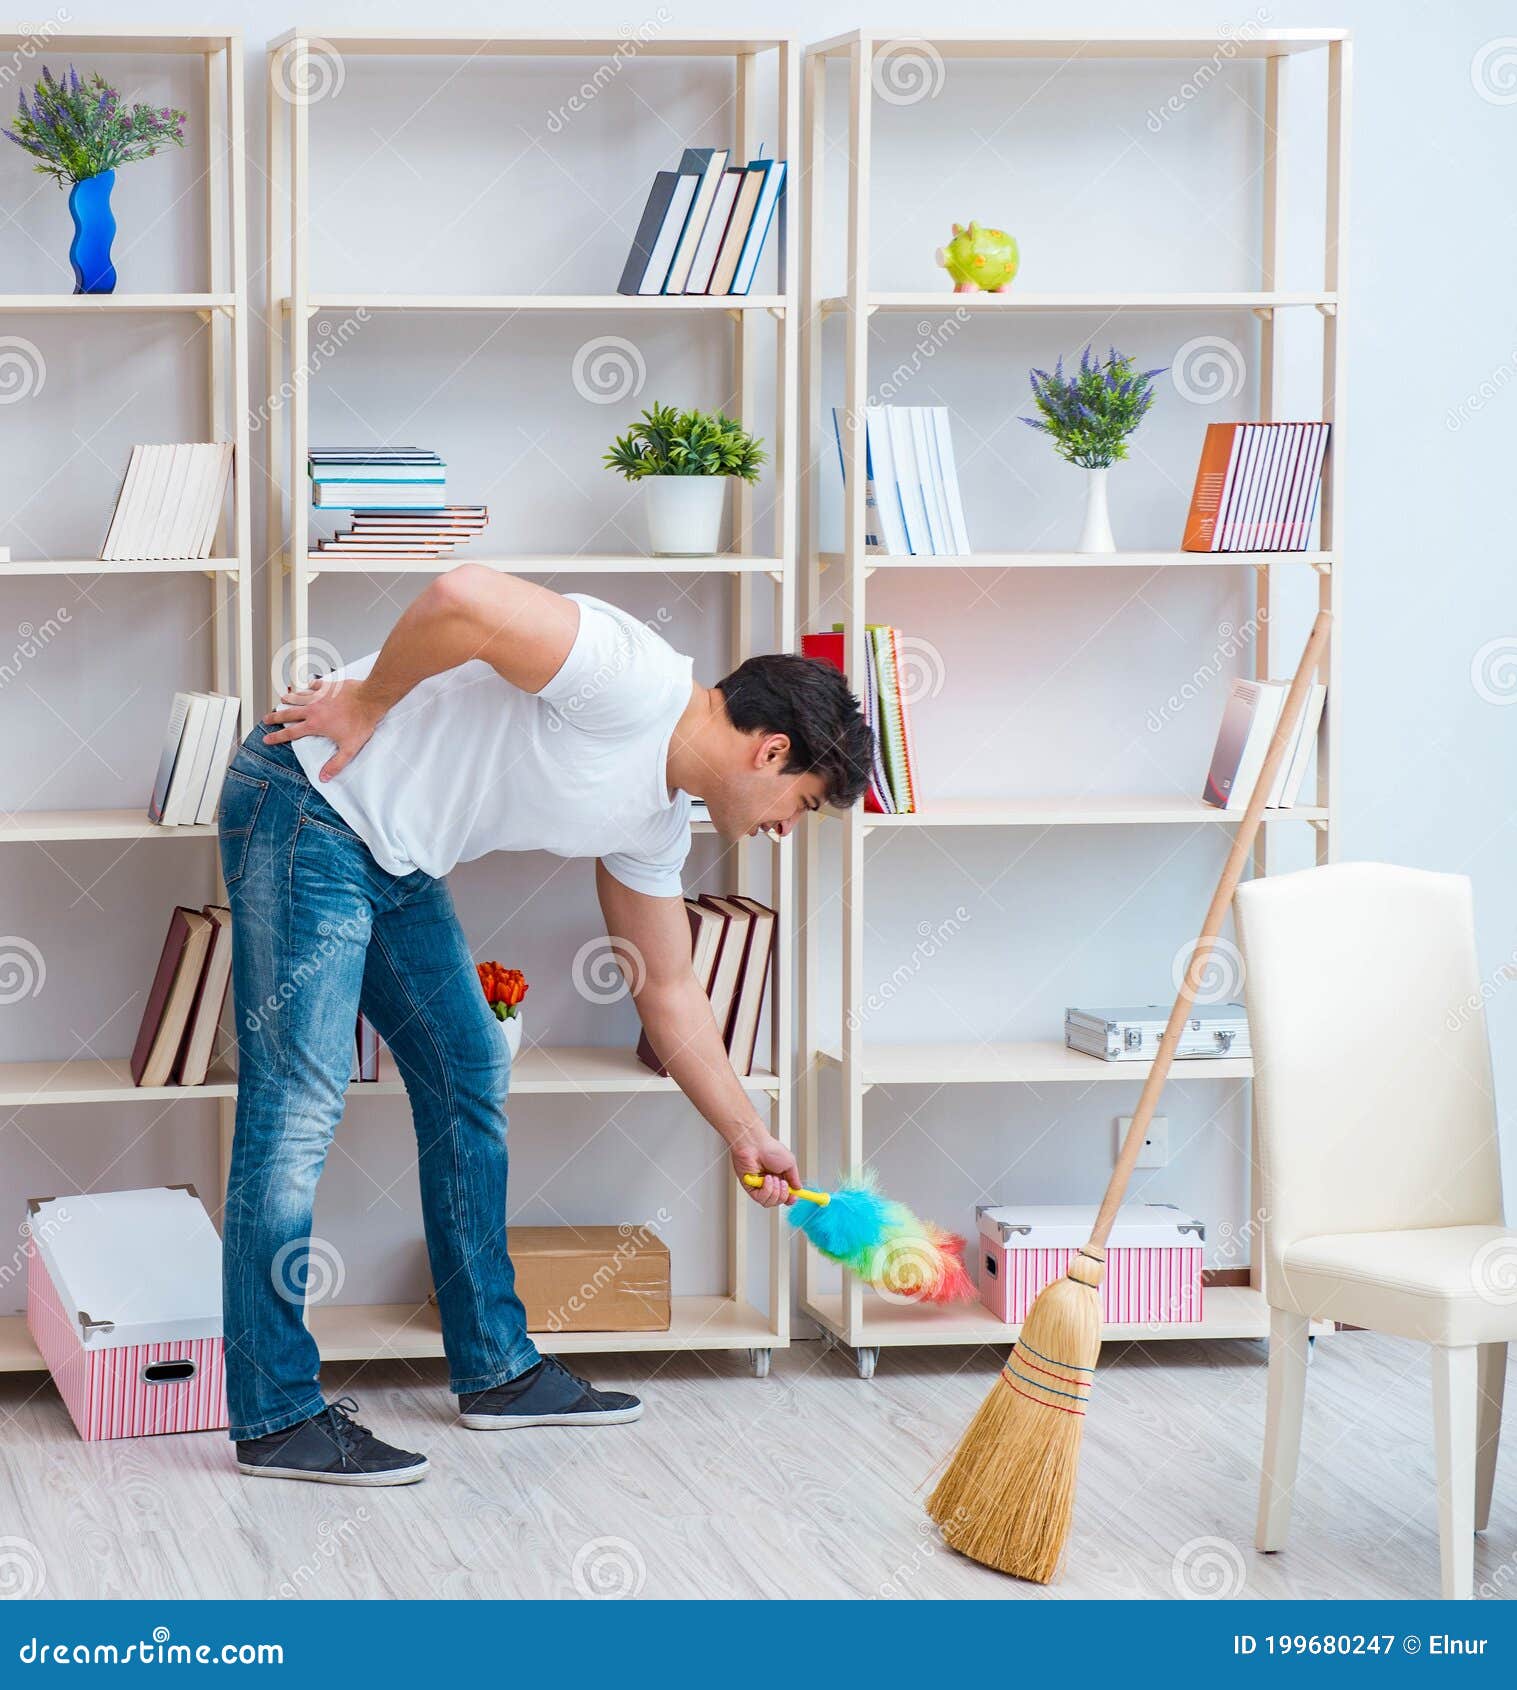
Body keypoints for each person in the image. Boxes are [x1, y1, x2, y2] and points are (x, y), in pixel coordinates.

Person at [218, 565, 872, 1484]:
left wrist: (747, 1133)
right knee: (296, 1109)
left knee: (467, 1070)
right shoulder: (631, 678)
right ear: (770, 752)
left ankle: (495, 1370)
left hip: (393, 855)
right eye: (800, 805)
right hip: (305, 808)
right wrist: (366, 701)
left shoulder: (656, 821)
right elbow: (462, 597)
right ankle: (275, 1414)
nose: (784, 829)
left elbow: (670, 993)